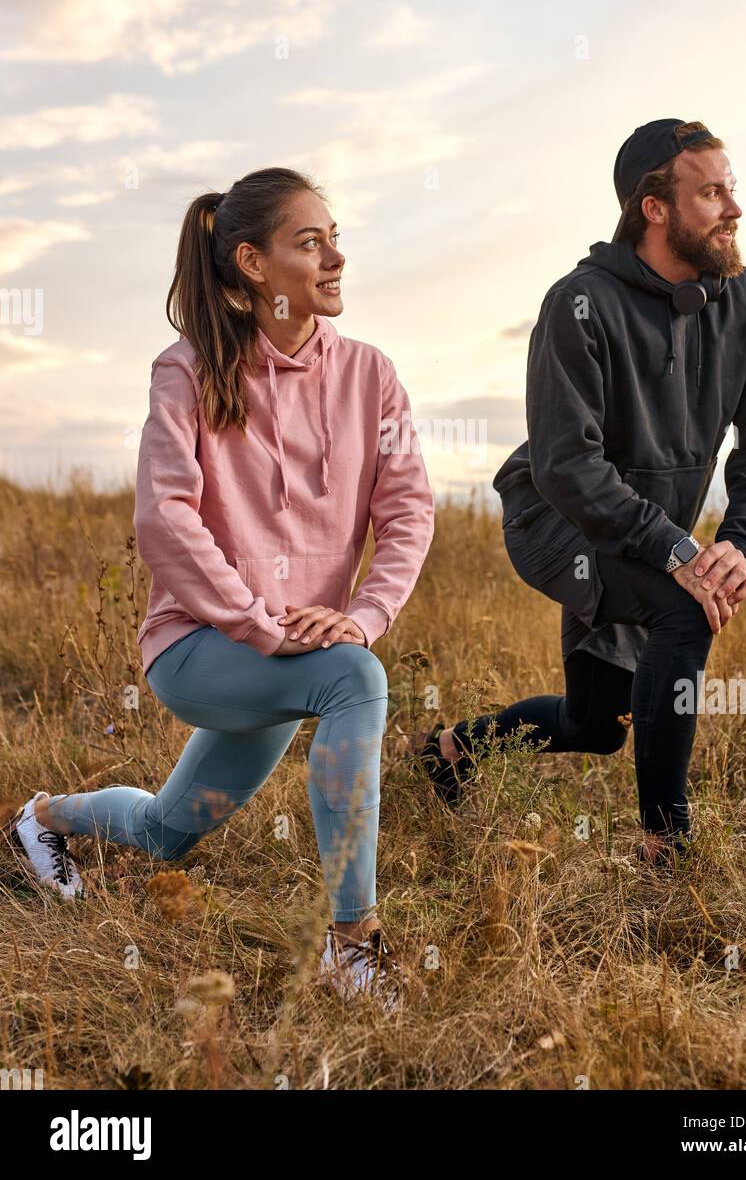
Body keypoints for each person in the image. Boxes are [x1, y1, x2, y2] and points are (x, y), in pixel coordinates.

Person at [8, 167, 434, 1008]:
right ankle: (352, 945)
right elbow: (166, 519)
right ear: (251, 262)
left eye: (335, 235)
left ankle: (43, 819)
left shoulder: (371, 376)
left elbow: (410, 508)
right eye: (309, 242)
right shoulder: (189, 369)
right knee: (356, 683)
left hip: (301, 653)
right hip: (202, 646)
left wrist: (362, 615)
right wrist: (258, 625)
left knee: (169, 832)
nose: (336, 256)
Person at [419, 119, 746, 866]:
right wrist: (679, 550)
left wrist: (741, 545)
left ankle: (453, 750)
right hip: (553, 519)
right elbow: (566, 466)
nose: (734, 209)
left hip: (642, 531)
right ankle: (666, 847)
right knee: (684, 611)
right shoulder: (579, 305)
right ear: (655, 208)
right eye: (711, 192)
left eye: (732, 188)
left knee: (597, 725)